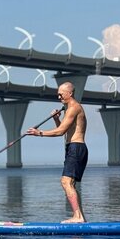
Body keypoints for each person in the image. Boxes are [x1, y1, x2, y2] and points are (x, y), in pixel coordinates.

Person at [27, 81, 89, 223]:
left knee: (66, 182)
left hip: (76, 148)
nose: (59, 97)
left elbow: (60, 132)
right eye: (58, 95)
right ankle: (80, 217)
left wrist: (39, 133)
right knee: (70, 183)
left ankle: (77, 217)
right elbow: (64, 129)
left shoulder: (74, 108)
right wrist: (56, 119)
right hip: (73, 148)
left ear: (70, 93)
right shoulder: (68, 109)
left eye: (61, 94)